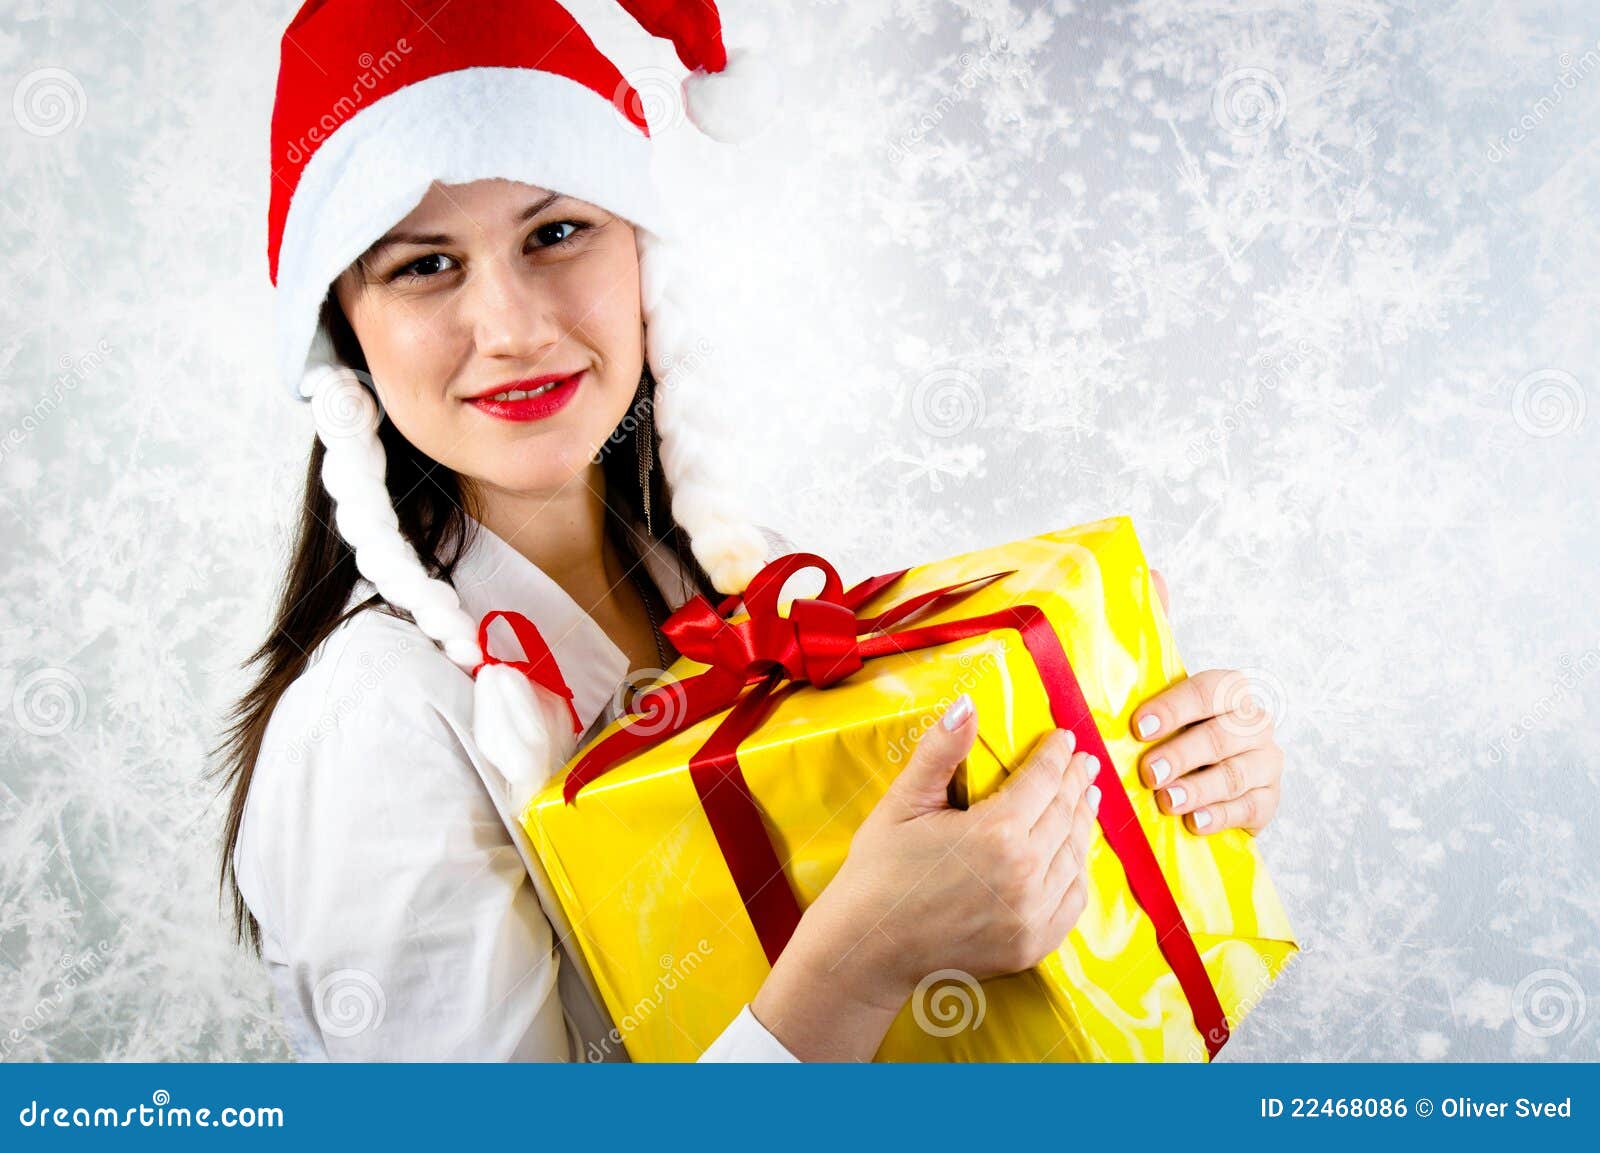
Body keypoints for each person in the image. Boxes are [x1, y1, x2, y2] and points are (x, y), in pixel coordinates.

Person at [212, 0, 1285, 1062]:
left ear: (643, 259)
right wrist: (859, 959)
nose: (513, 328)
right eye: (424, 264)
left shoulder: (731, 586)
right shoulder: (371, 730)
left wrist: (1141, 778)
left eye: (556, 232)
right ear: (341, 334)